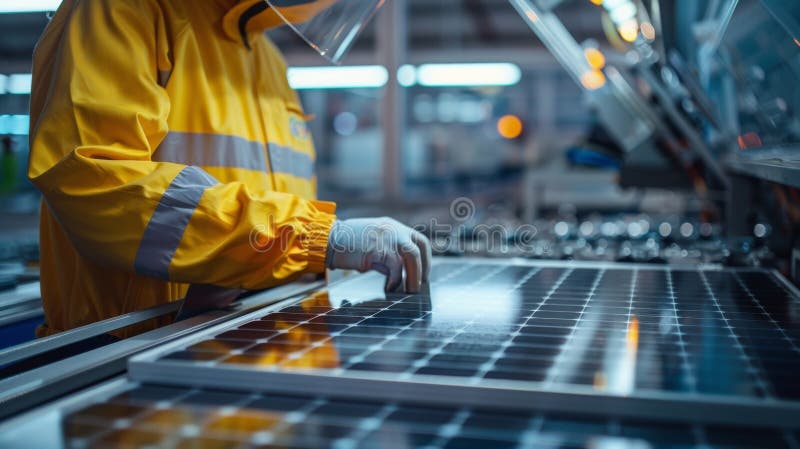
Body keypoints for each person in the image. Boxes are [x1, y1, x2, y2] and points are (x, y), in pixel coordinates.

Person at [27, 0, 431, 338]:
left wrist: (314, 249)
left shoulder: (265, 55)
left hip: (257, 339)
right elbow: (96, 181)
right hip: (128, 351)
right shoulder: (122, 10)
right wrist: (321, 238)